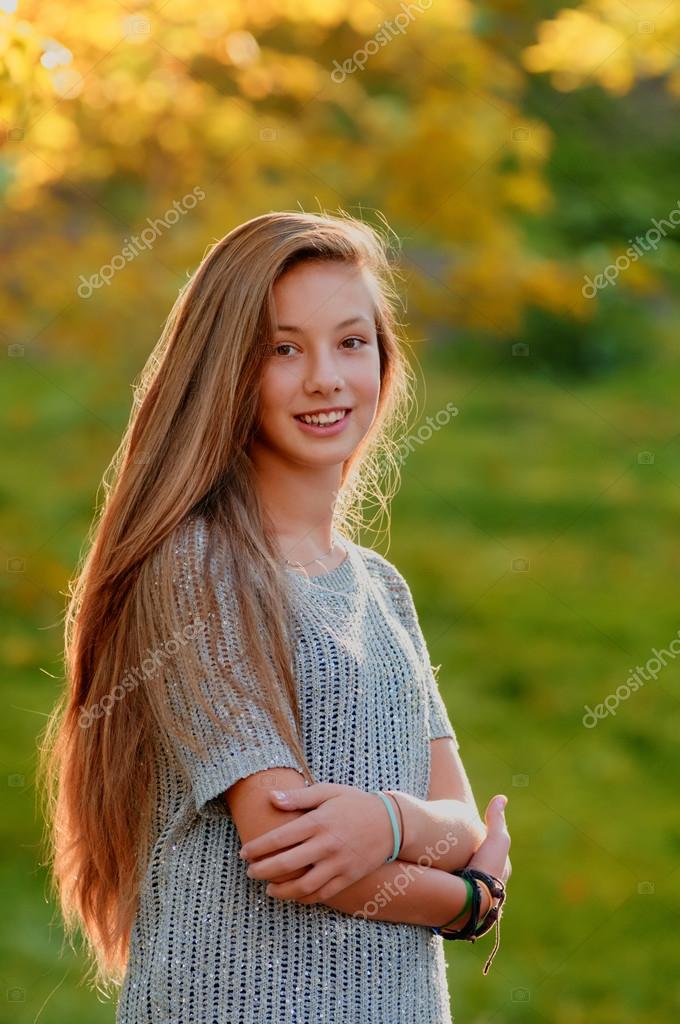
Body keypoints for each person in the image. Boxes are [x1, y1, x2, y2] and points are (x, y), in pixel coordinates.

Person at [39, 210, 512, 1023]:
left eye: (351, 342)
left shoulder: (382, 590)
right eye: (282, 350)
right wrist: (470, 901)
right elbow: (291, 853)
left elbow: (463, 825)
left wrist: (387, 823)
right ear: (226, 371)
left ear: (384, 359)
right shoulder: (197, 567)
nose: (325, 377)